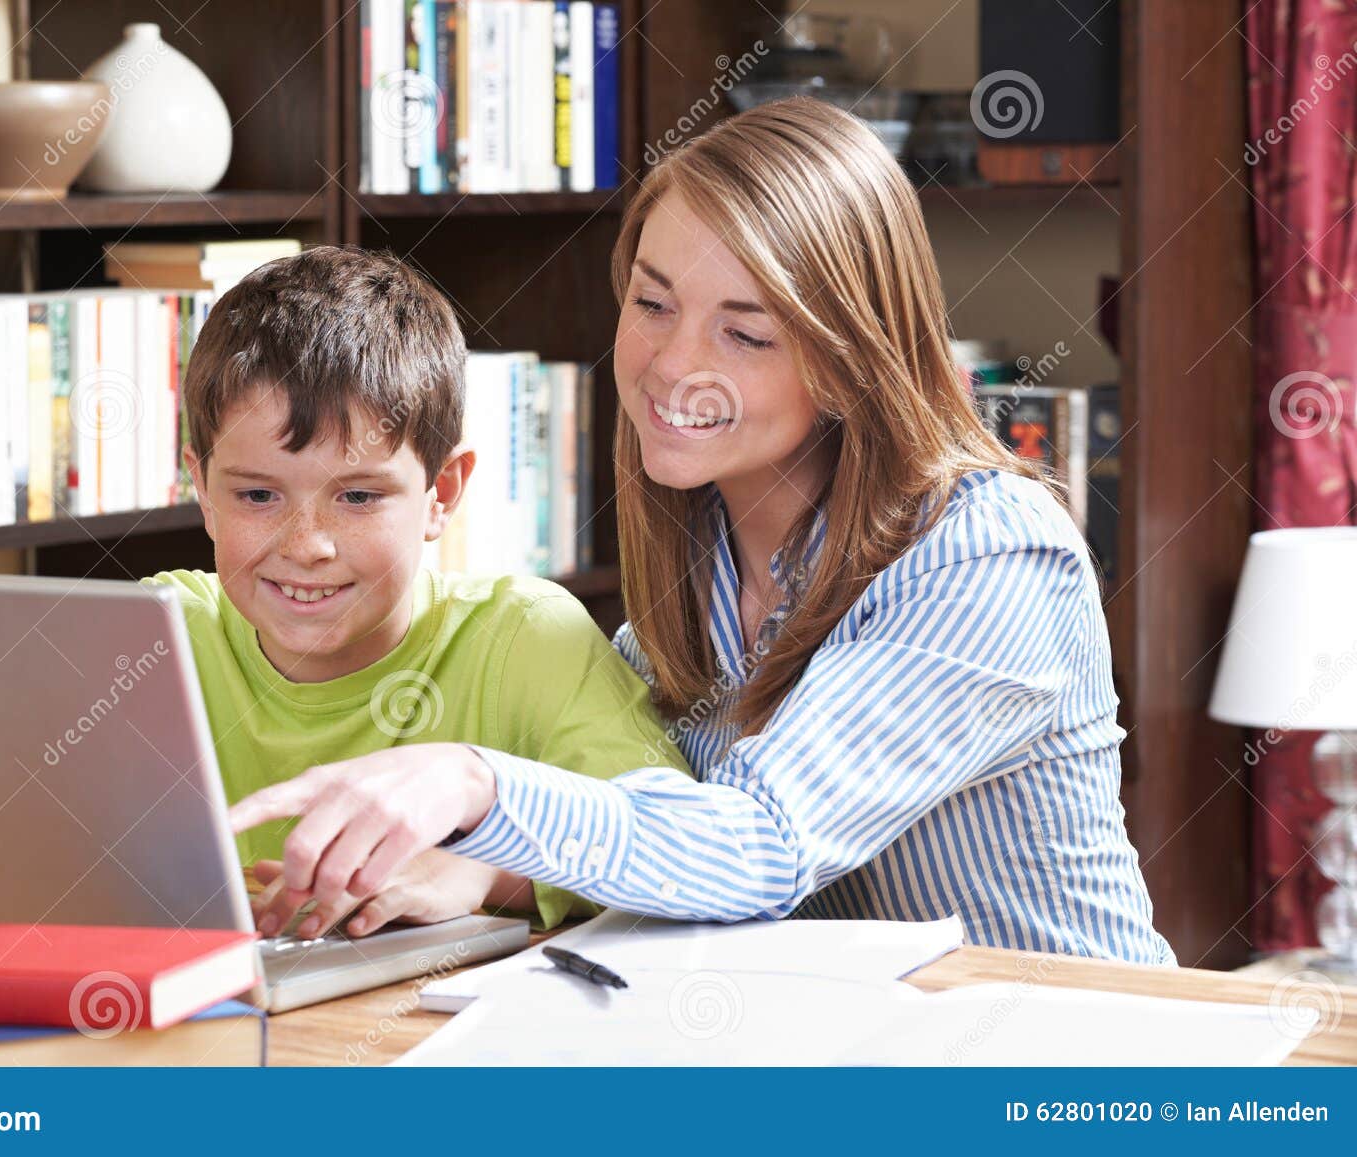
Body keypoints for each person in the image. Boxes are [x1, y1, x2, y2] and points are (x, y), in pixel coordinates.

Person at [229, 98, 1178, 965]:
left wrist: (475, 782)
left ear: (848, 361)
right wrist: (481, 875)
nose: (674, 365)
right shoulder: (703, 564)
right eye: (652, 303)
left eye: (746, 333)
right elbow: (669, 839)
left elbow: (761, 845)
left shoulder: (990, 554)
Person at [145, 245, 689, 941]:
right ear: (202, 490)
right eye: (257, 495)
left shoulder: (528, 638)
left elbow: (680, 851)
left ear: (443, 493)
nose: (306, 545)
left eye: (359, 496)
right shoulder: (156, 638)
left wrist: (483, 871)